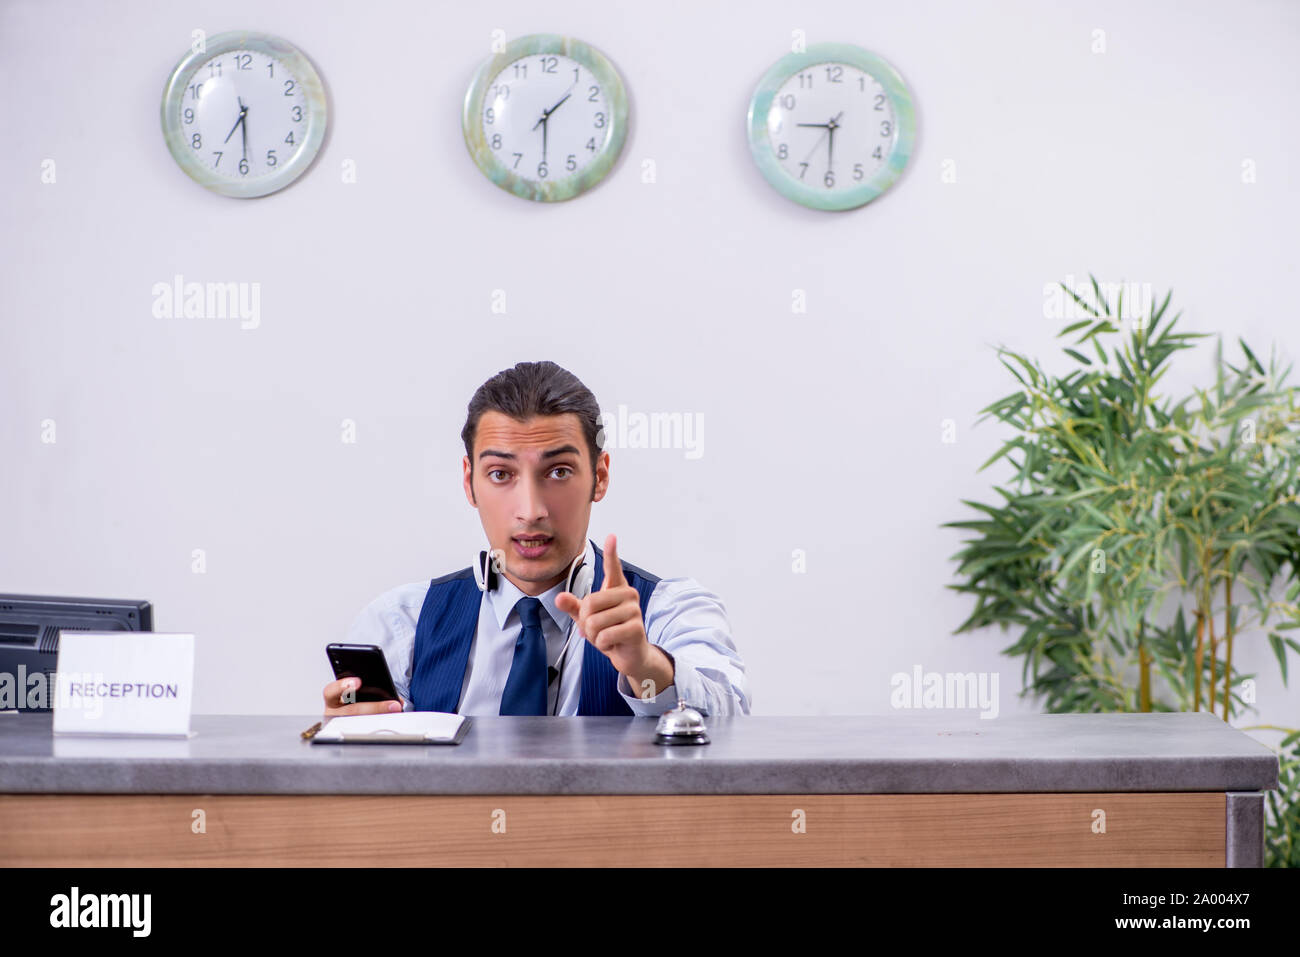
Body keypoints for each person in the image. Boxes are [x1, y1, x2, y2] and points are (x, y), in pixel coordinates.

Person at [322, 360, 749, 718]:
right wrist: (350, 742)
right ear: (470, 484)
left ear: (599, 477)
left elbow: (732, 726)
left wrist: (646, 666)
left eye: (558, 472)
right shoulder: (401, 623)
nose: (531, 509)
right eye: (501, 475)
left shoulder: (670, 611)